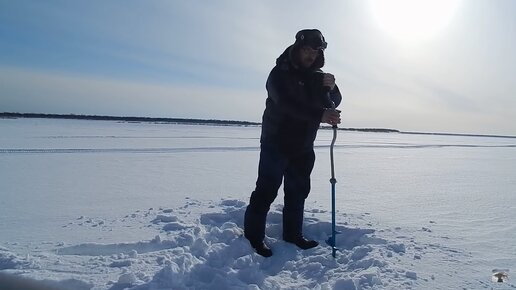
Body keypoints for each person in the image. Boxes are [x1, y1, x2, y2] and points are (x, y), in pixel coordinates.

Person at [244, 29, 342, 257]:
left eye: (314, 51)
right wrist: (321, 115)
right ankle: (253, 238)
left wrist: (332, 88)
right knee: (266, 191)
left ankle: (292, 234)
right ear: (297, 48)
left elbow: (332, 100)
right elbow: (287, 103)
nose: (310, 55)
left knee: (298, 193)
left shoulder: (318, 76)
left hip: (303, 147)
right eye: (306, 50)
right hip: (275, 143)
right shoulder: (279, 74)